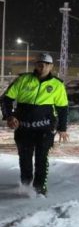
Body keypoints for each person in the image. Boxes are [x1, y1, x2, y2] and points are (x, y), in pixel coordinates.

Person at [1, 53, 69, 196]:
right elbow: (6, 99)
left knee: (41, 158)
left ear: (51, 66)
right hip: (23, 128)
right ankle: (25, 186)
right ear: (35, 65)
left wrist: (62, 128)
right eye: (39, 63)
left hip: (45, 128)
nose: (42, 66)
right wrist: (9, 116)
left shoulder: (57, 84)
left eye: (46, 64)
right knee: (25, 159)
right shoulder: (23, 79)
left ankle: (39, 188)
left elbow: (62, 107)